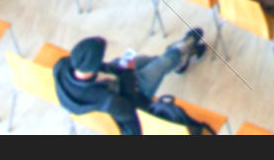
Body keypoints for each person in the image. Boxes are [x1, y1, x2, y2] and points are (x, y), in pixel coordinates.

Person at [52, 32, 205, 135]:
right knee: (161, 64)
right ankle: (180, 51)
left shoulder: (62, 66)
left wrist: (118, 69)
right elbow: (132, 106)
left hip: (114, 83)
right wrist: (128, 72)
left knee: (148, 61)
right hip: (132, 93)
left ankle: (179, 57)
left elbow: (102, 69)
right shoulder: (107, 100)